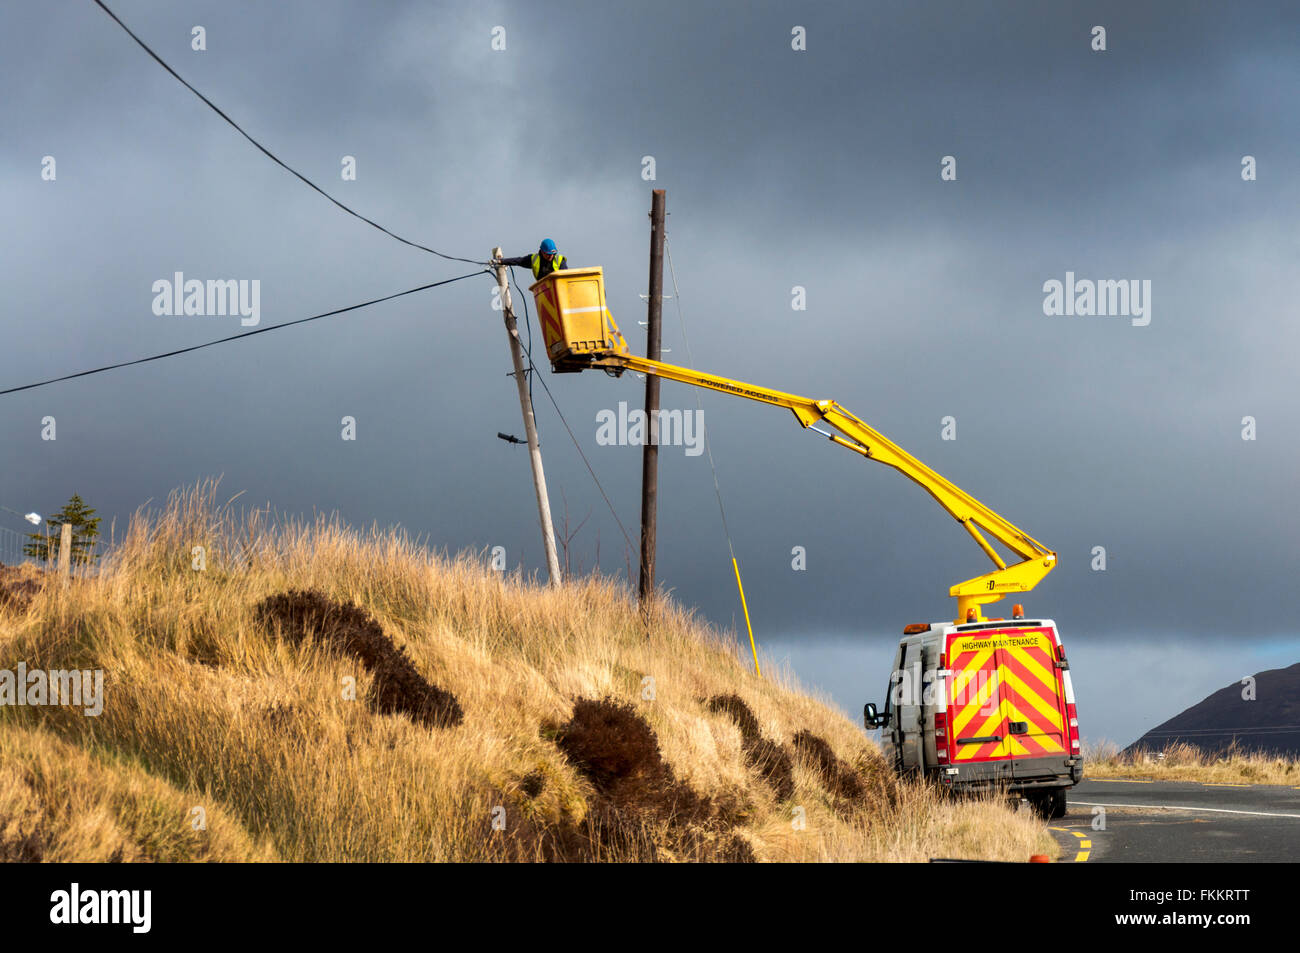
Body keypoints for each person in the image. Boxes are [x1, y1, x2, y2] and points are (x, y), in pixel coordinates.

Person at [498, 239, 569, 280]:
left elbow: (566, 277)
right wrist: (501, 261)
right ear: (542, 251)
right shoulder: (534, 259)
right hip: (544, 290)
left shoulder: (560, 260)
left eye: (553, 254)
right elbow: (518, 261)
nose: (551, 256)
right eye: (548, 254)